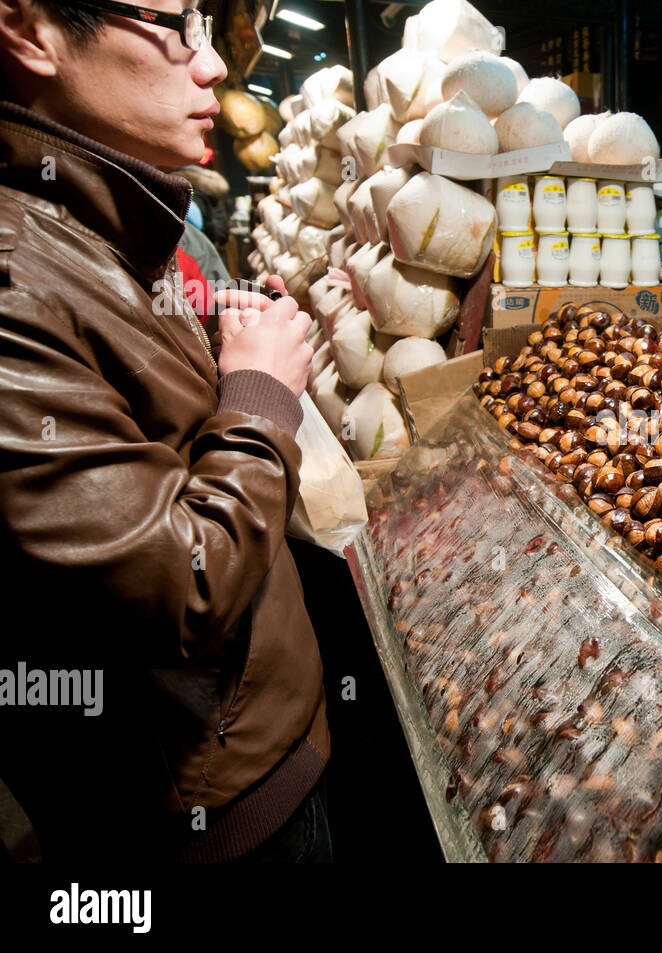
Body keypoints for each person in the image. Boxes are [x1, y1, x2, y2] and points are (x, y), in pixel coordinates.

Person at [0, 0, 328, 861]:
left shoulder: (92, 229)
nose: (212, 64)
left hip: (248, 765)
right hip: (207, 822)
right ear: (32, 31)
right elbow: (181, 581)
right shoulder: (13, 278)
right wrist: (258, 396)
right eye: (174, 23)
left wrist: (209, 365)